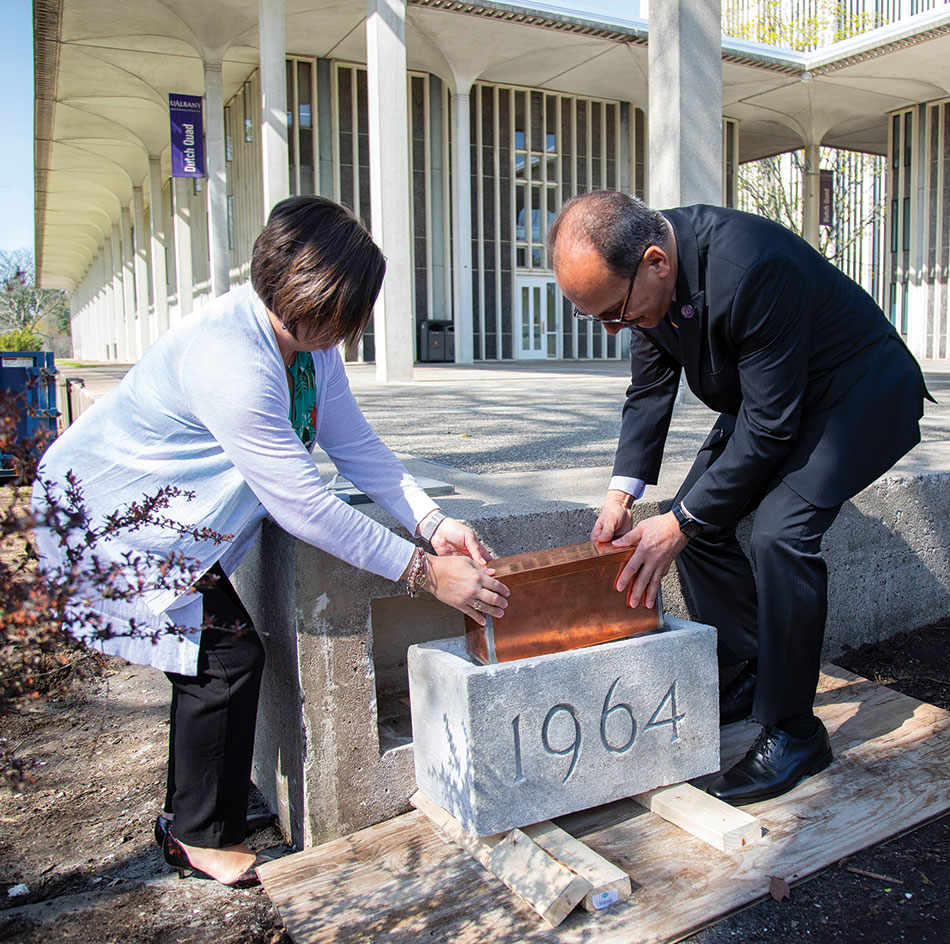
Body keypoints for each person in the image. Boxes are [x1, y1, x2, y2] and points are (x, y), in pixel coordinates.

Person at [32, 195, 510, 886]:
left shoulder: (308, 348)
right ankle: (197, 834)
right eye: (348, 311)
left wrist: (434, 522)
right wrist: (426, 574)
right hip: (109, 515)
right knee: (221, 659)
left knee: (210, 658)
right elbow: (302, 506)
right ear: (314, 297)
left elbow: (355, 446)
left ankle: (188, 818)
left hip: (167, 519)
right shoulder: (231, 356)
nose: (351, 331)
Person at [547, 191, 931, 806]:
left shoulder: (750, 267)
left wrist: (683, 520)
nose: (615, 328)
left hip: (856, 391)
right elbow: (648, 391)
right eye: (599, 320)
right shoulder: (643, 289)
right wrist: (623, 494)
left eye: (615, 314)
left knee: (780, 532)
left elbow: (772, 429)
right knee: (696, 518)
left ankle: (793, 730)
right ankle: (751, 671)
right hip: (777, 396)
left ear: (655, 262)